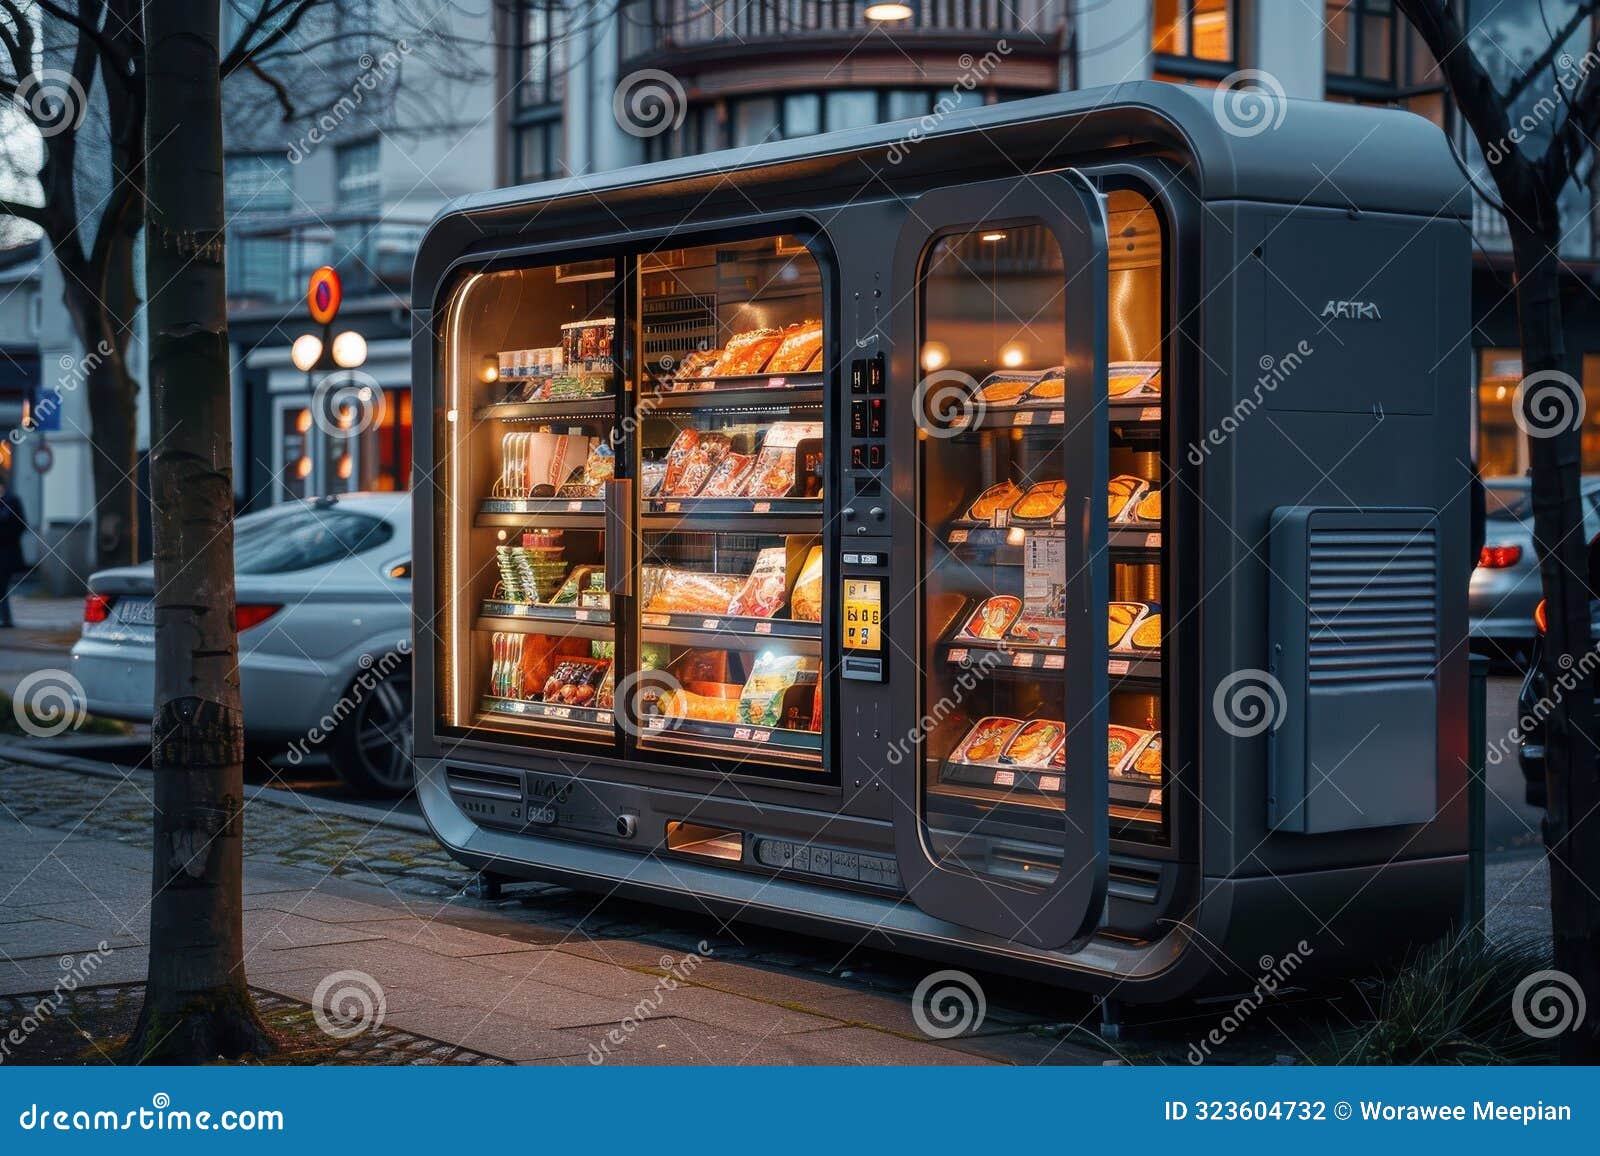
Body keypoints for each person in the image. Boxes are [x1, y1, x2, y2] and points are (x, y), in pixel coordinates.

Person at [0, 479, 28, 628]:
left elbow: (22, 524)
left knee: (2, 586)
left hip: (8, 552)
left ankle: (5, 618)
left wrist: (7, 535)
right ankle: (5, 618)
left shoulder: (12, 501)